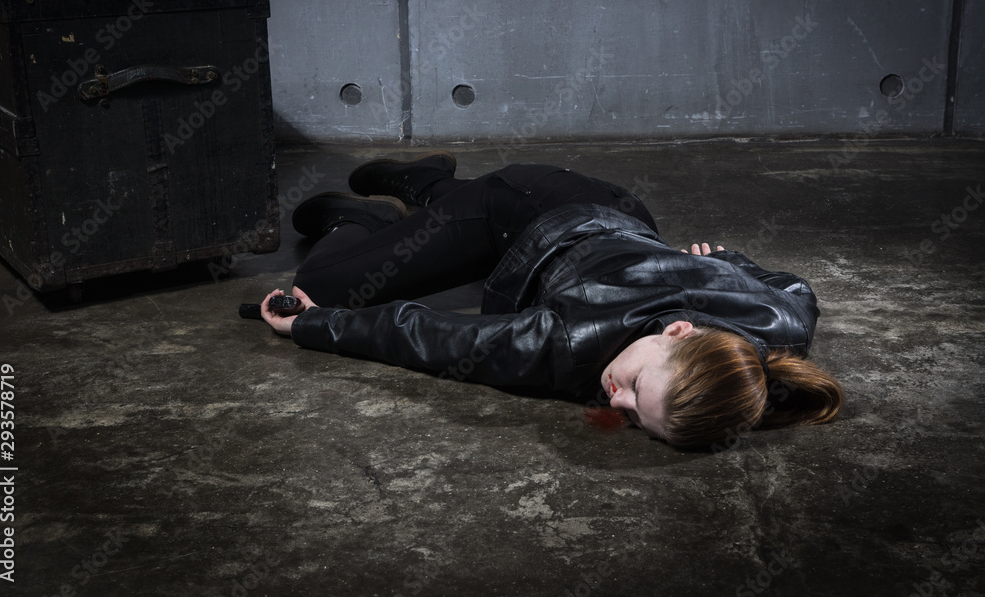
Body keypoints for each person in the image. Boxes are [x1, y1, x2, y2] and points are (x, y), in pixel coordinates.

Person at [259, 152, 843, 449]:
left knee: (435, 241)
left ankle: (434, 186)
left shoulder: (771, 339)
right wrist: (313, 323)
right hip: (523, 208)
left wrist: (722, 264)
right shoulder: (566, 343)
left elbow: (797, 293)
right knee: (317, 290)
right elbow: (427, 335)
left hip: (622, 218)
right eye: (638, 388)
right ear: (680, 333)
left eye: (640, 421)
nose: (619, 404)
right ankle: (361, 217)